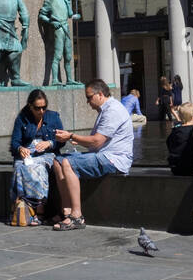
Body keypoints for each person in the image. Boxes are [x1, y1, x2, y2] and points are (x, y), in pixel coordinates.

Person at [49, 79, 135, 230]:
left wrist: (71, 137)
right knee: (58, 160)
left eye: (89, 97)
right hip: (103, 155)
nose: (87, 101)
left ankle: (77, 216)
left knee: (69, 163)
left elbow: (96, 142)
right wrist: (77, 140)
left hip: (114, 159)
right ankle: (67, 211)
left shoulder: (113, 111)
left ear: (100, 94)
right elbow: (95, 142)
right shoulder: (105, 110)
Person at [8, 89, 64, 220]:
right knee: (20, 167)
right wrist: (20, 148)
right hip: (28, 154)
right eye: (37, 108)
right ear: (30, 106)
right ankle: (25, 206)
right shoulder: (22, 118)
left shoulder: (53, 117)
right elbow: (14, 143)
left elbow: (61, 141)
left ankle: (39, 207)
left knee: (39, 168)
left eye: (44, 107)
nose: (41, 111)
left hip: (47, 154)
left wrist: (49, 143)